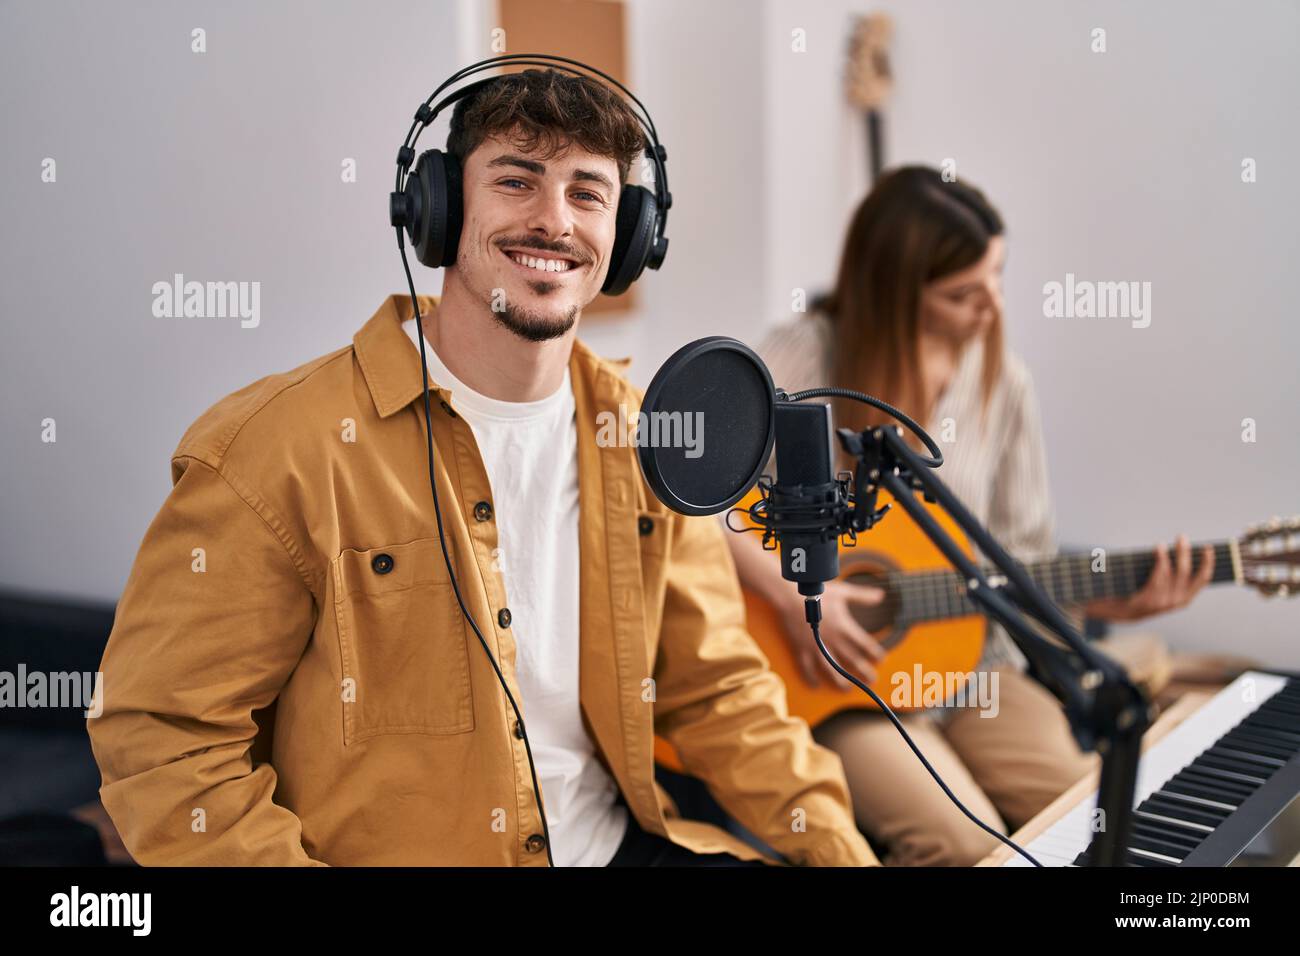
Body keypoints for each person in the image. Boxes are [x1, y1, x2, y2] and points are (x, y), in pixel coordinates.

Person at [87, 67, 876, 867]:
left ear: (631, 236)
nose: (552, 221)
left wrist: (841, 852)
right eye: (516, 180)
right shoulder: (271, 449)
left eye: (588, 193)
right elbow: (165, 743)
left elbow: (717, 693)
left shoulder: (646, 437)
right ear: (440, 205)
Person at [725, 165, 1214, 866]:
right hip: (834, 680)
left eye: (998, 276)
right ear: (895, 295)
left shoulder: (1002, 381)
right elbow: (698, 508)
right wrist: (797, 592)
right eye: (962, 292)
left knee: (1096, 812)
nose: (991, 304)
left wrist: (1122, 605)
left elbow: (1022, 556)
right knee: (967, 845)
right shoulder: (809, 355)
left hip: (976, 668)